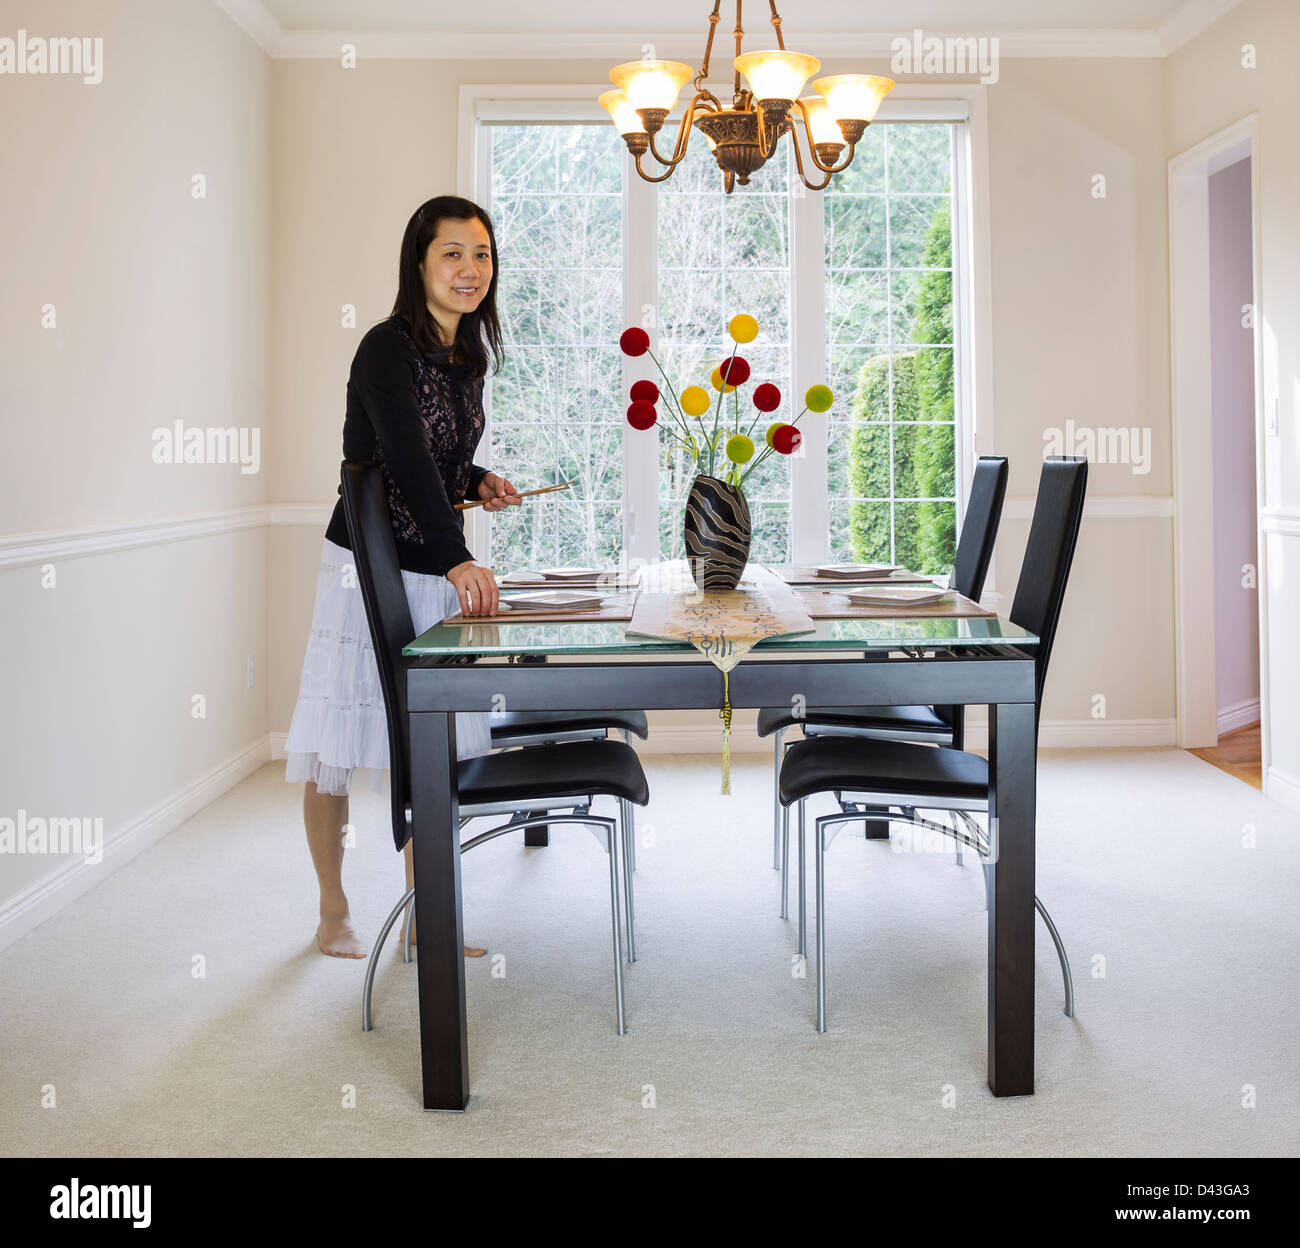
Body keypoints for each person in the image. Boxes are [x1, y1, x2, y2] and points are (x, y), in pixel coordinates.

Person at [284, 195, 521, 959]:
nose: (469, 269)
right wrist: (460, 555)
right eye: (452, 252)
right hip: (368, 565)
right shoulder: (386, 349)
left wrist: (478, 476)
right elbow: (403, 458)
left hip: (431, 567)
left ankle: (427, 920)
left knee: (435, 741)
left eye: (481, 254)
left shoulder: (467, 356)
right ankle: (331, 911)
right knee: (339, 736)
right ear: (418, 262)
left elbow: (439, 458)